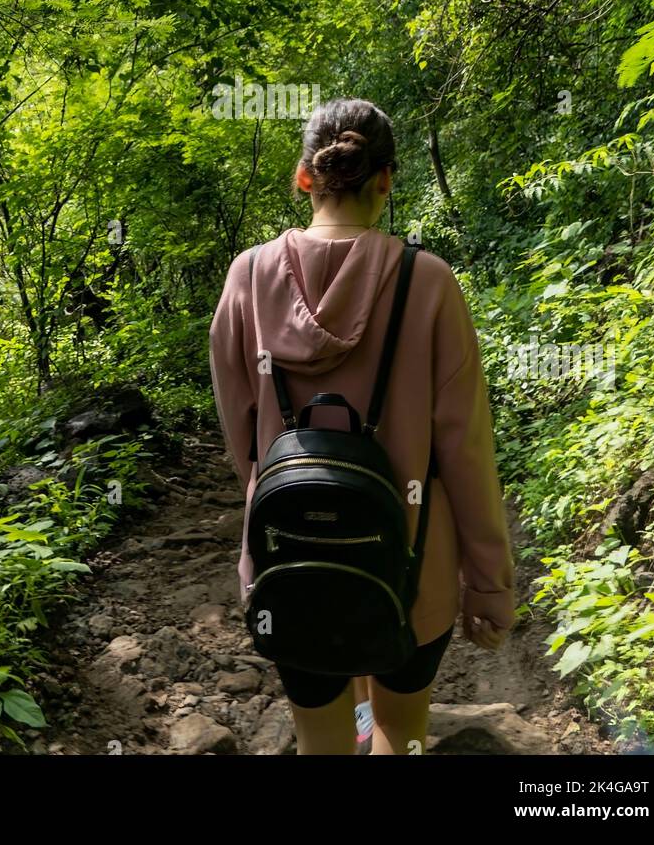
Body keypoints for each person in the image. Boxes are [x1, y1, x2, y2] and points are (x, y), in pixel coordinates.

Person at [208, 97, 515, 755]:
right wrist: (488, 584)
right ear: (385, 179)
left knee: (323, 746)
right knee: (400, 738)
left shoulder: (247, 277)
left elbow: (243, 438)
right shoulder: (428, 282)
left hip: (289, 564)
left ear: (304, 178)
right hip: (412, 569)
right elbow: (465, 450)